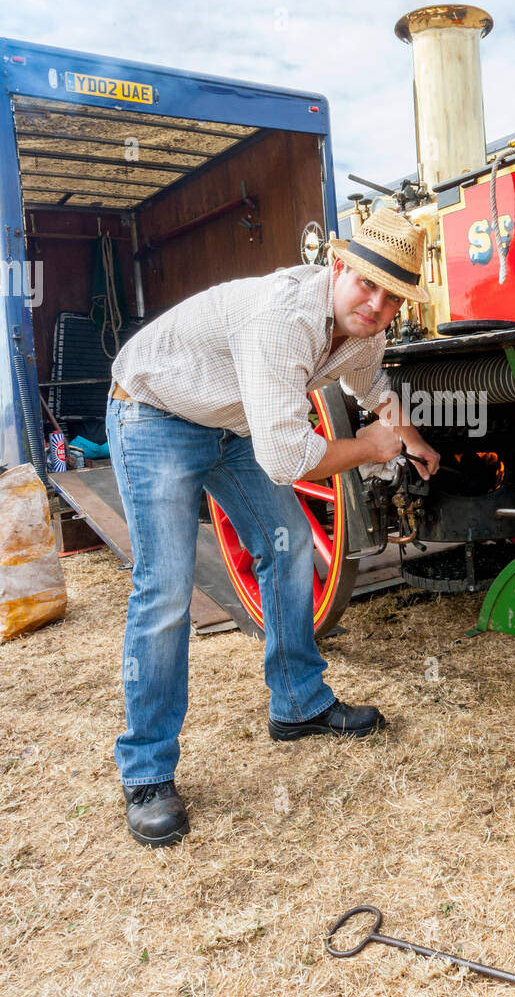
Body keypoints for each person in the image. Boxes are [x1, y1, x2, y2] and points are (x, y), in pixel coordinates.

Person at [105, 207, 440, 848]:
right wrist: (371, 450)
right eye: (366, 284)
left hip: (231, 425)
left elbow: (370, 384)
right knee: (166, 589)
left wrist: (408, 436)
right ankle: (146, 772)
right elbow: (287, 458)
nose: (375, 304)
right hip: (154, 413)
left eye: (391, 296)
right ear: (338, 267)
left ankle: (298, 704)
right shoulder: (283, 318)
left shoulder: (366, 329)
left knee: (287, 549)